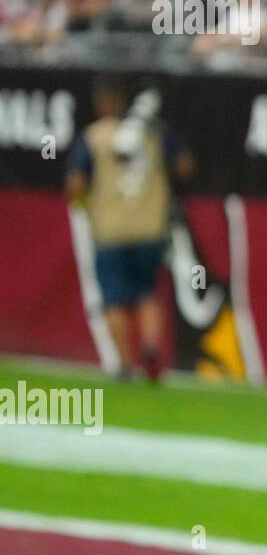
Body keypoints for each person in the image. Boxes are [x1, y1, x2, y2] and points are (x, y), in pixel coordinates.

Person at [65, 78, 193, 381]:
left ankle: (124, 362)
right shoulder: (153, 132)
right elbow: (186, 165)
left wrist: (86, 206)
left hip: (109, 229)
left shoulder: (94, 136)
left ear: (101, 105)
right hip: (149, 226)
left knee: (114, 297)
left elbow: (76, 183)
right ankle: (150, 347)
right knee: (147, 292)